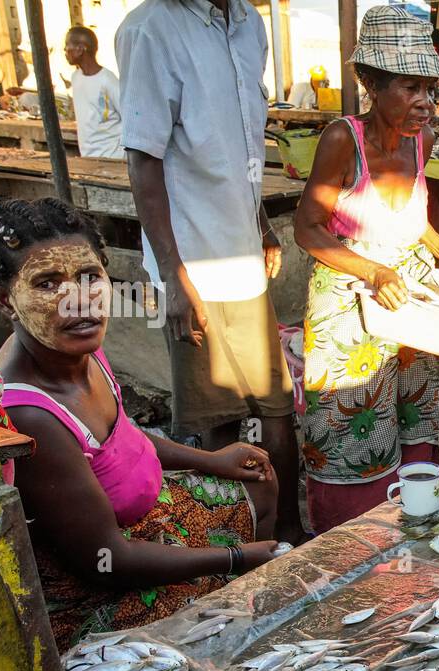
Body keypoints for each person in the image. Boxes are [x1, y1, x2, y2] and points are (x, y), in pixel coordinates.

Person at [0, 198, 282, 650]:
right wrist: (235, 560)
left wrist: (212, 459)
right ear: (5, 300)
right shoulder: (30, 415)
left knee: (258, 479)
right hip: (99, 579)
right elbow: (109, 560)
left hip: (144, 513)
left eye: (88, 277)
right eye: (47, 283)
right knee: (219, 618)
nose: (79, 301)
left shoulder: (77, 348)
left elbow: (121, 437)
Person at [118, 0, 303, 544]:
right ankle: (233, 543)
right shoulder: (150, 29)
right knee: (212, 420)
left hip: (242, 254)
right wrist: (175, 277)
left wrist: (263, 224)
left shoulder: (249, 24)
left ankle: (288, 529)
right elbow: (143, 161)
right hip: (194, 260)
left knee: (276, 409)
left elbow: (239, 151)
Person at [293, 5, 439, 533]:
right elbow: (307, 229)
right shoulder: (341, 140)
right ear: (373, 84)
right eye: (410, 88)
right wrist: (374, 272)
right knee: (353, 432)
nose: (426, 103)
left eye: (430, 88)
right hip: (349, 308)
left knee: (413, 418)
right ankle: (348, 548)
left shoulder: (422, 139)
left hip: (408, 305)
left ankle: (414, 535)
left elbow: (413, 219)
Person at [64, 26, 122, 159]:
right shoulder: (76, 77)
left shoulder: (107, 80)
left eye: (67, 46)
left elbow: (128, 116)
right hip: (88, 154)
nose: (65, 51)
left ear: (80, 49)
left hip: (112, 155)